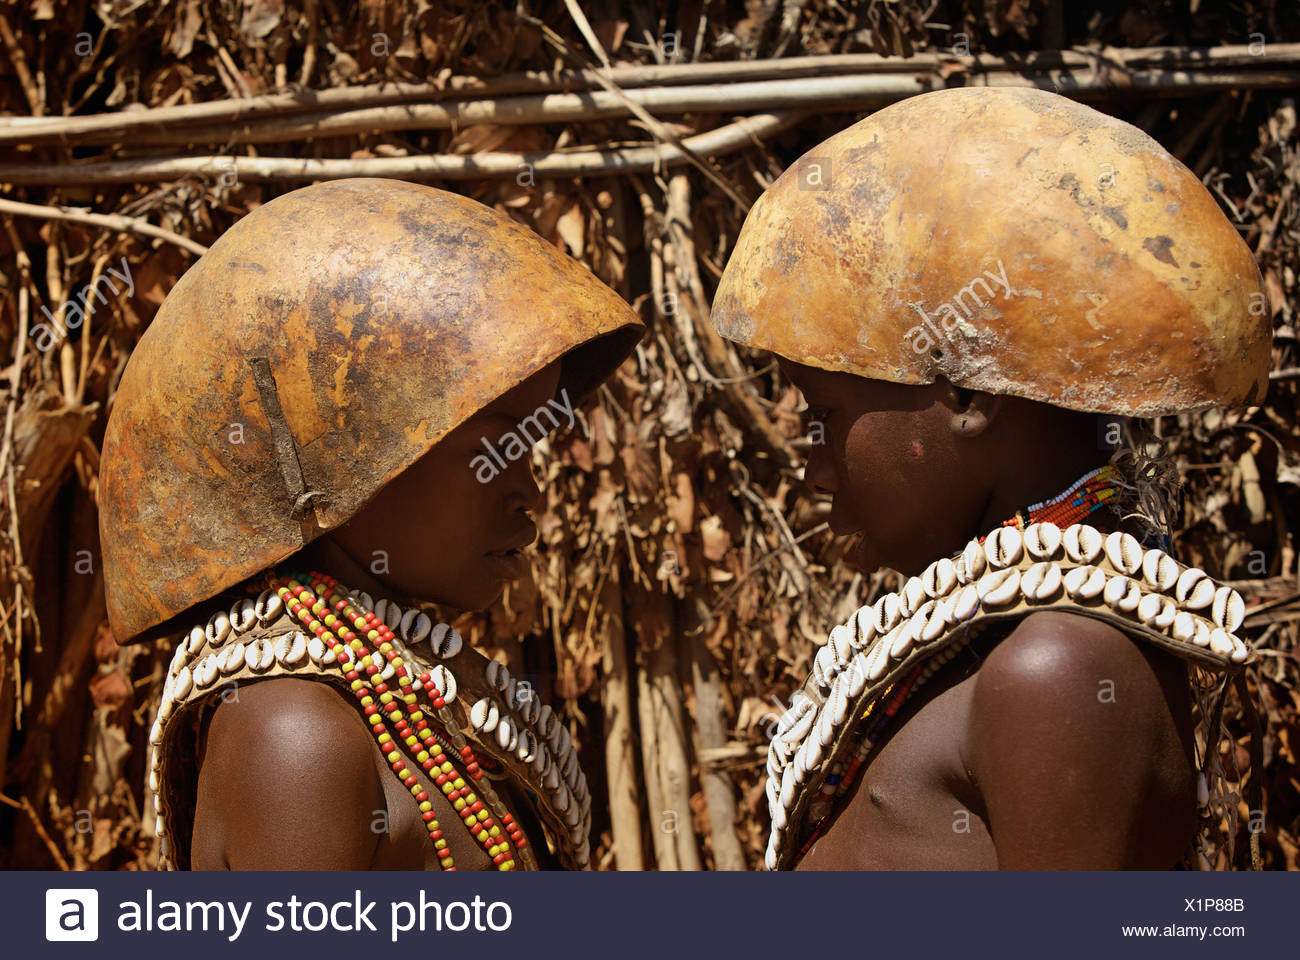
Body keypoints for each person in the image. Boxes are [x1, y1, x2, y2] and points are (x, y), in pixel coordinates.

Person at [710, 87, 1271, 870]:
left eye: (826, 415)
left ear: (968, 399)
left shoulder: (1061, 672)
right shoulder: (1011, 648)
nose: (812, 466)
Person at [99, 178, 644, 870]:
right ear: (348, 454)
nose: (528, 495)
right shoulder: (295, 736)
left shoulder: (393, 699)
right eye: (494, 445)